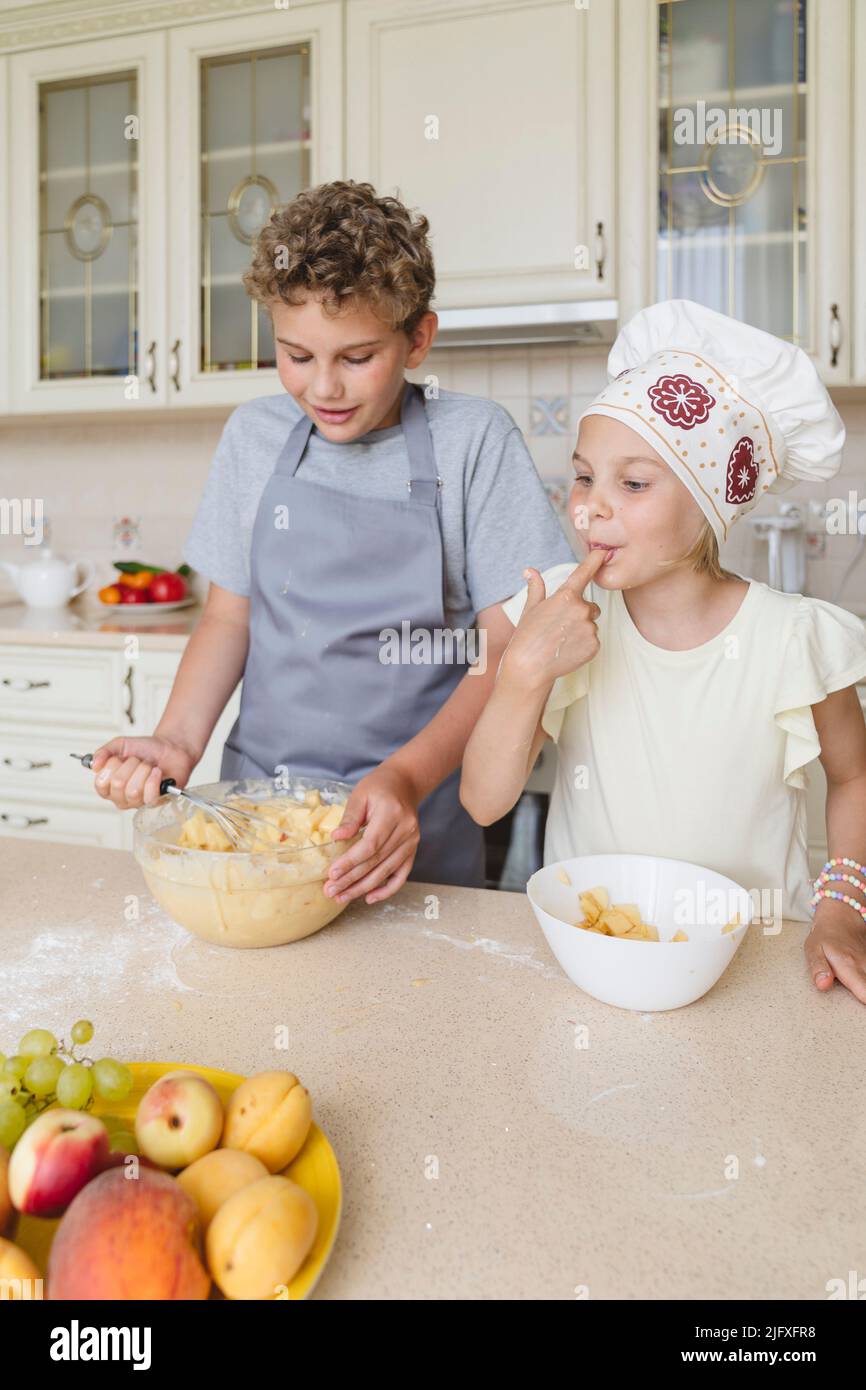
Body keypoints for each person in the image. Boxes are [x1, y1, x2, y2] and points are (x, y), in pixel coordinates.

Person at [90, 180, 574, 903]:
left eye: (356, 357)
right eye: (296, 355)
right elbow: (230, 617)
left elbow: (500, 651)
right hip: (258, 825)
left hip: (412, 827)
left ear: (418, 339)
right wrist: (177, 742)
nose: (324, 389)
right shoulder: (254, 440)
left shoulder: (472, 440)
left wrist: (406, 779)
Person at [461, 299, 866, 1002]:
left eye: (634, 482)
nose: (590, 506)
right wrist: (522, 670)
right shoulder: (563, 614)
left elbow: (855, 779)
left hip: (758, 968)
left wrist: (842, 907)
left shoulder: (792, 638)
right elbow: (484, 802)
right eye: (584, 476)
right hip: (593, 960)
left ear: (710, 503)